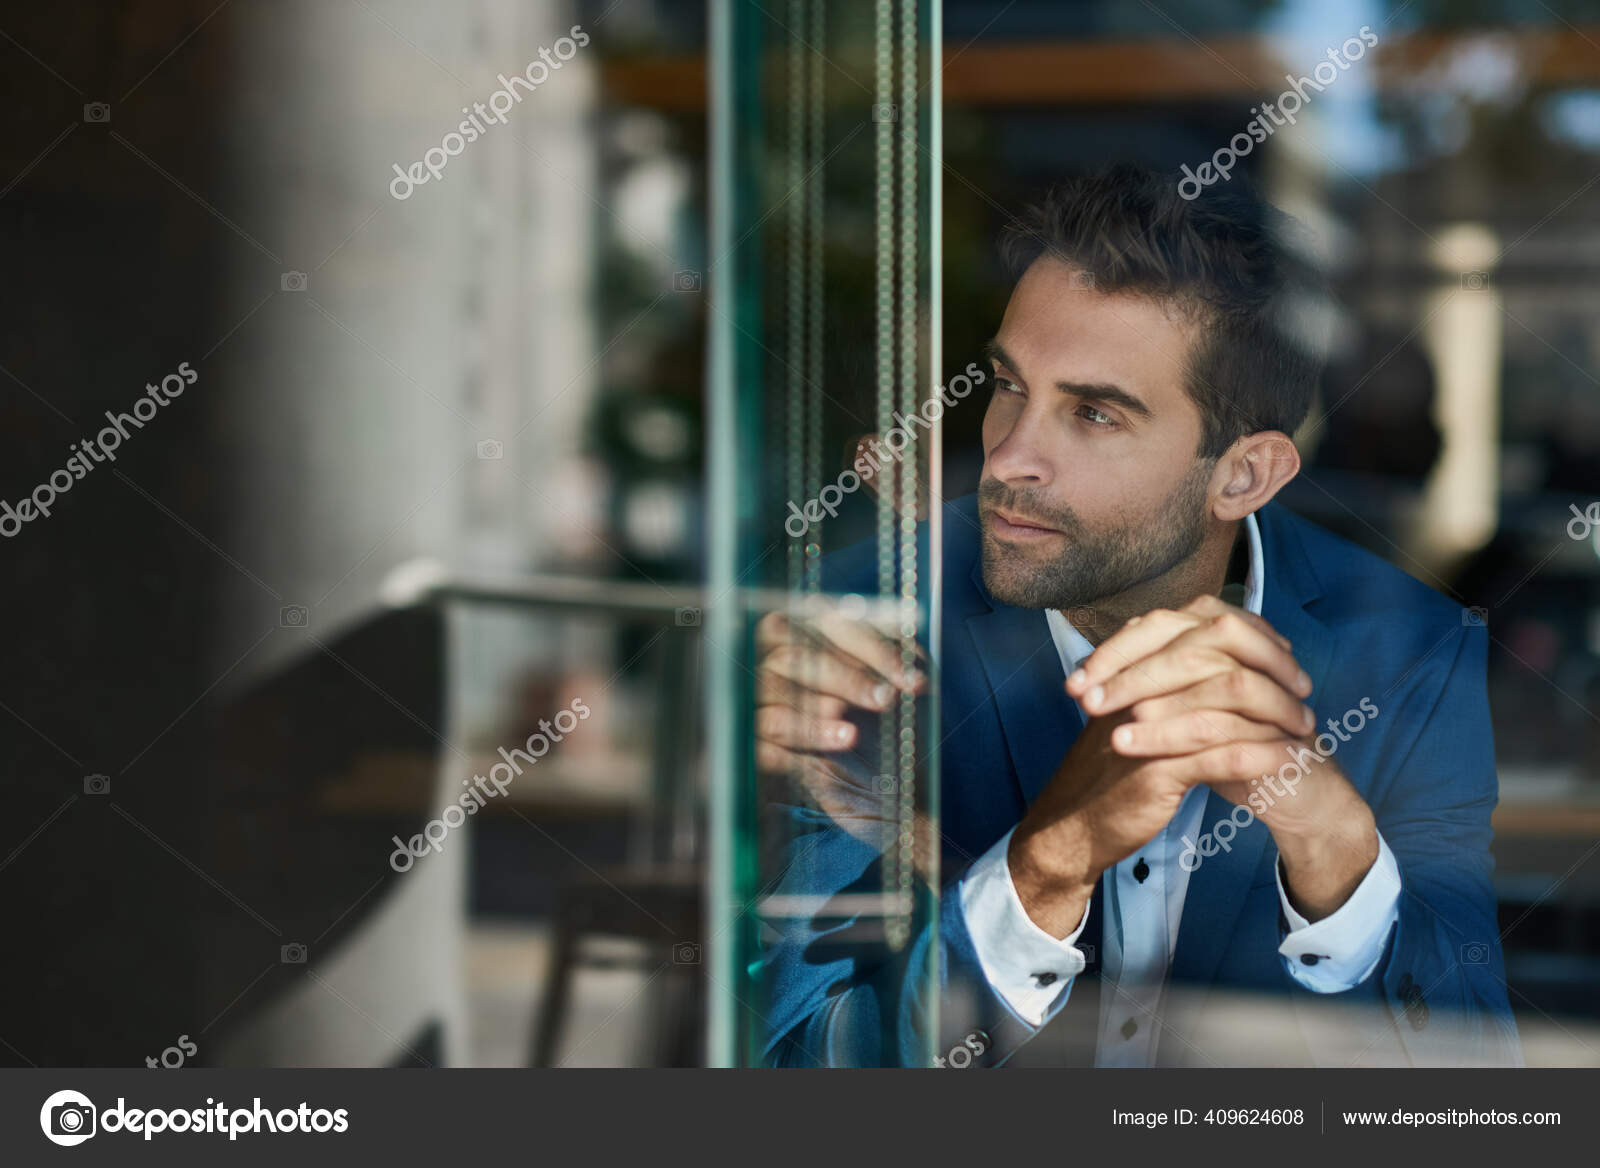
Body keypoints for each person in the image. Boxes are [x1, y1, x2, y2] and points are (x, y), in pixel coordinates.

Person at [752, 164, 1521, 1068]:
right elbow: (798, 1064)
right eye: (1008, 386)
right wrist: (1044, 868)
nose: (1009, 457)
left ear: (1244, 475)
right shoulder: (873, 621)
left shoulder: (1407, 650)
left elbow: (1475, 1075)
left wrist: (1337, 852)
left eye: (1094, 414)